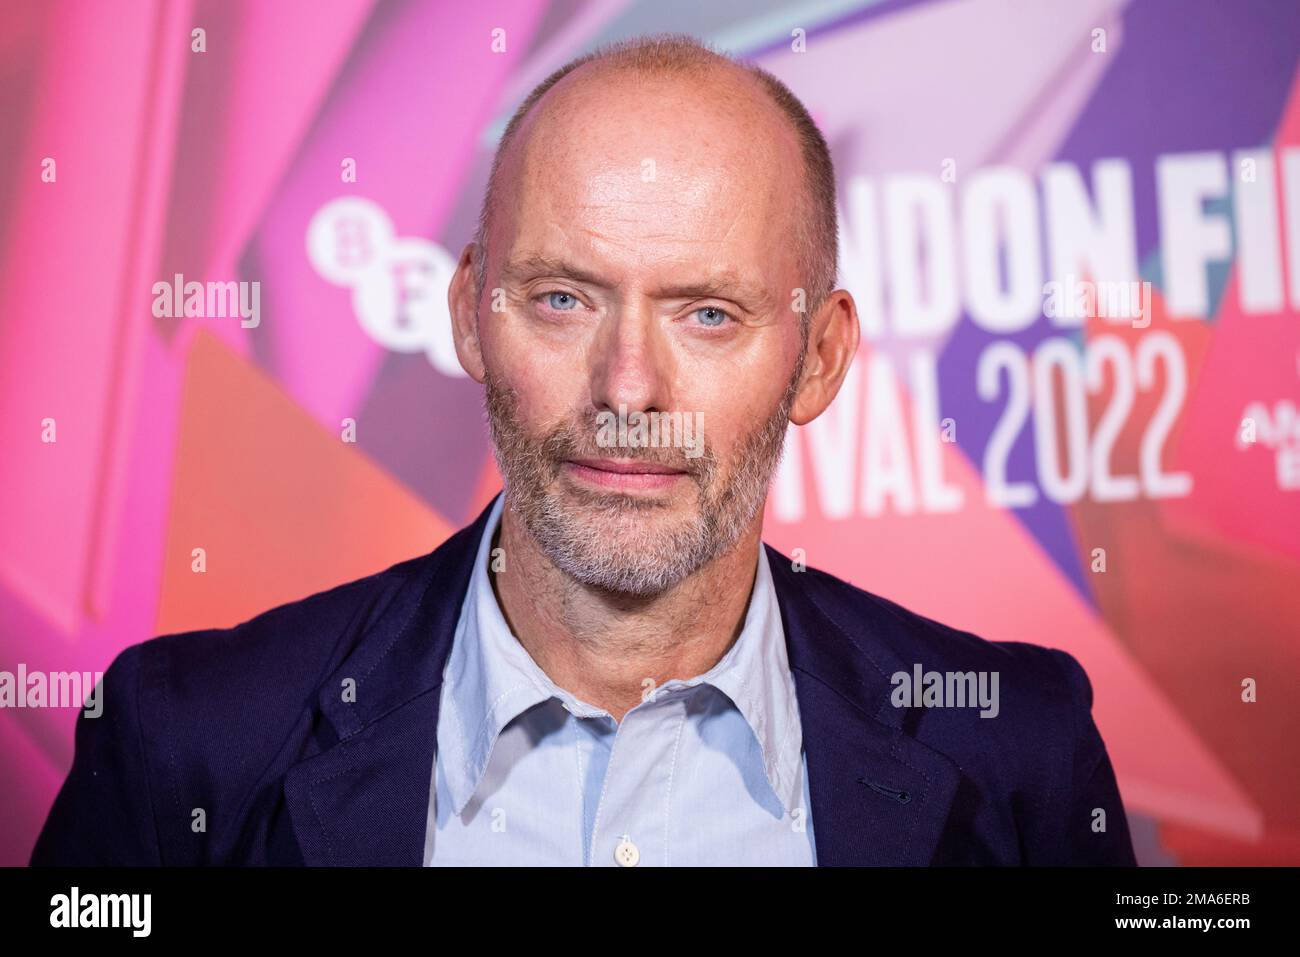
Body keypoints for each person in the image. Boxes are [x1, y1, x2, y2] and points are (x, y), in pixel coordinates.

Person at [31, 33, 1136, 867]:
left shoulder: (1014, 753)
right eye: (562, 298)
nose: (626, 388)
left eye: (707, 313)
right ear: (469, 315)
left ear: (819, 359)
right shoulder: (186, 741)